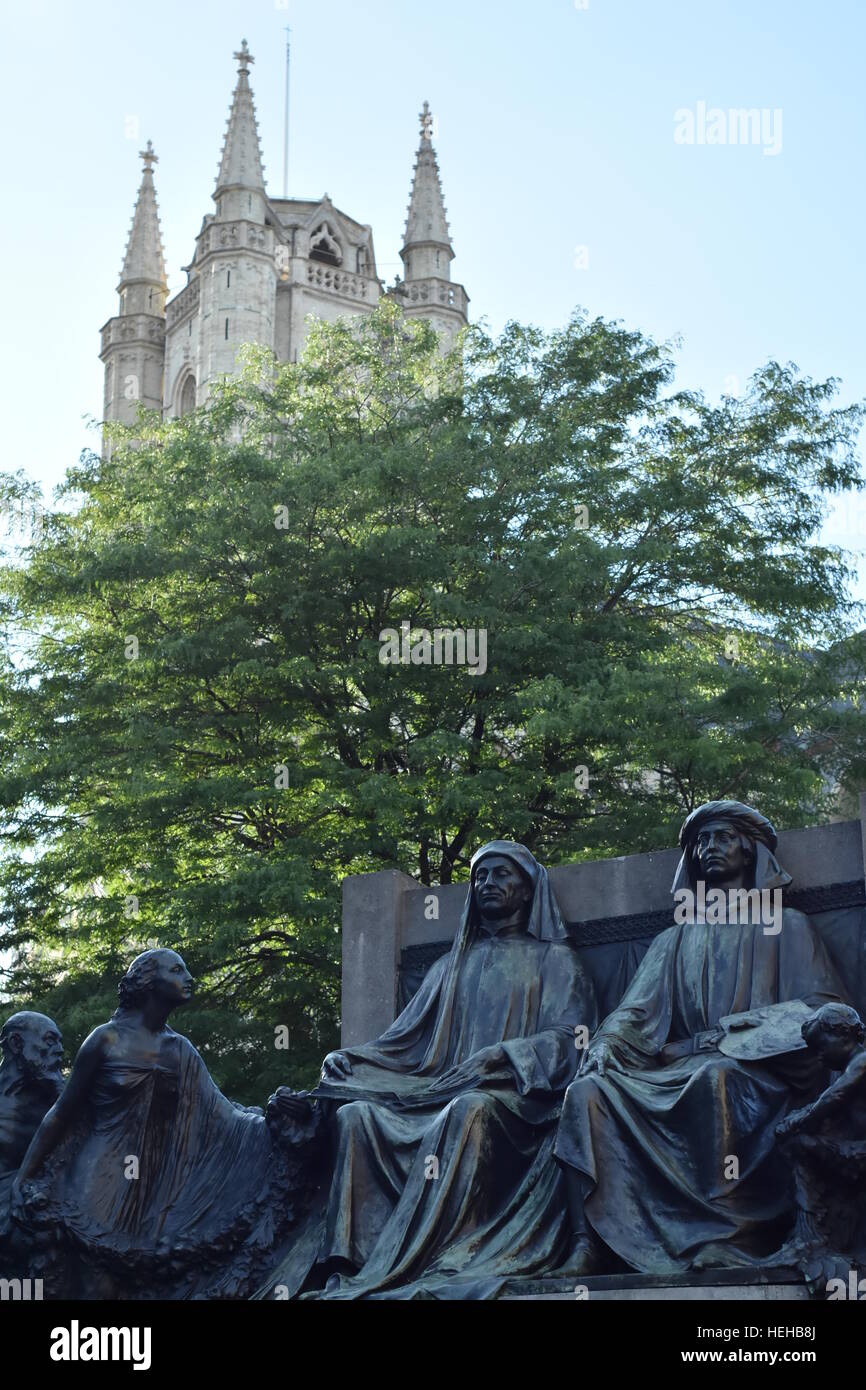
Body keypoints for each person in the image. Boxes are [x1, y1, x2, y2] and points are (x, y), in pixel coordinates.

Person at [554, 800, 846, 1274]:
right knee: (586, 1092)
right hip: (675, 1068)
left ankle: (727, 1236)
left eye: (723, 837)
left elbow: (822, 1012)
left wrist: (731, 1038)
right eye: (701, 841)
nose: (710, 848)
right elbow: (634, 1012)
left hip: (757, 1074)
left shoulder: (789, 927)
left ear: (750, 851)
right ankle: (588, 1242)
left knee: (717, 1079)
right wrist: (605, 1045)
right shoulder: (674, 939)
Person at [295, 841, 597, 1299]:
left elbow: (572, 1037)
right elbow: (402, 1043)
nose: (487, 884)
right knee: (356, 1117)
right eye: (480, 877)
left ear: (528, 888)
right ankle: (347, 1264)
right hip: (434, 1094)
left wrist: (502, 1055)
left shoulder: (554, 960)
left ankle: (452, 1256)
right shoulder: (447, 968)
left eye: (501, 875)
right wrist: (352, 1059)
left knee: (468, 1109)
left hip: (517, 1103)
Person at [12, 949, 301, 1298]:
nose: (189, 977)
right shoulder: (105, 1040)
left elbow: (223, 1115)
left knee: (128, 1290)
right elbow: (61, 1113)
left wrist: (278, 1116)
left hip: (151, 1188)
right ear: (148, 982)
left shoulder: (180, 1050)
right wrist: (25, 1176)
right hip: (96, 1178)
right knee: (93, 1288)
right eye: (177, 970)